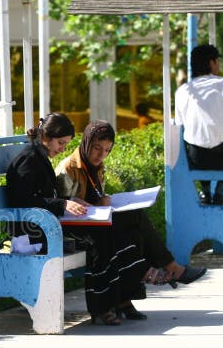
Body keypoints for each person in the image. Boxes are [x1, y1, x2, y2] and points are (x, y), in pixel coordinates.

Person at [5, 113, 175, 325]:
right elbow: (25, 202)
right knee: (102, 236)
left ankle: (123, 289)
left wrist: (71, 200)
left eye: (66, 143)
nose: (63, 148)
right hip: (35, 233)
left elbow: (44, 197)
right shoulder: (29, 161)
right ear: (45, 136)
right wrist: (64, 204)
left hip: (48, 224)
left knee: (117, 227)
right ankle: (128, 282)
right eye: (60, 142)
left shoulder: (39, 158)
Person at [55, 120, 207, 320]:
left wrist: (103, 201)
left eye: (107, 150)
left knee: (135, 219)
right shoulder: (69, 168)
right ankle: (155, 274)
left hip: (95, 222)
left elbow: (95, 196)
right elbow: (64, 207)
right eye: (97, 148)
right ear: (86, 143)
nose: (101, 155)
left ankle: (127, 296)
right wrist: (93, 205)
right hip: (73, 230)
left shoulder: (97, 166)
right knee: (119, 235)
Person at [174, 44, 223, 206]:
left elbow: (179, 126)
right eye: (217, 61)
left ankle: (205, 192)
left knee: (195, 140)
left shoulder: (183, 91)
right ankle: (220, 191)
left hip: (197, 158)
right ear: (212, 63)